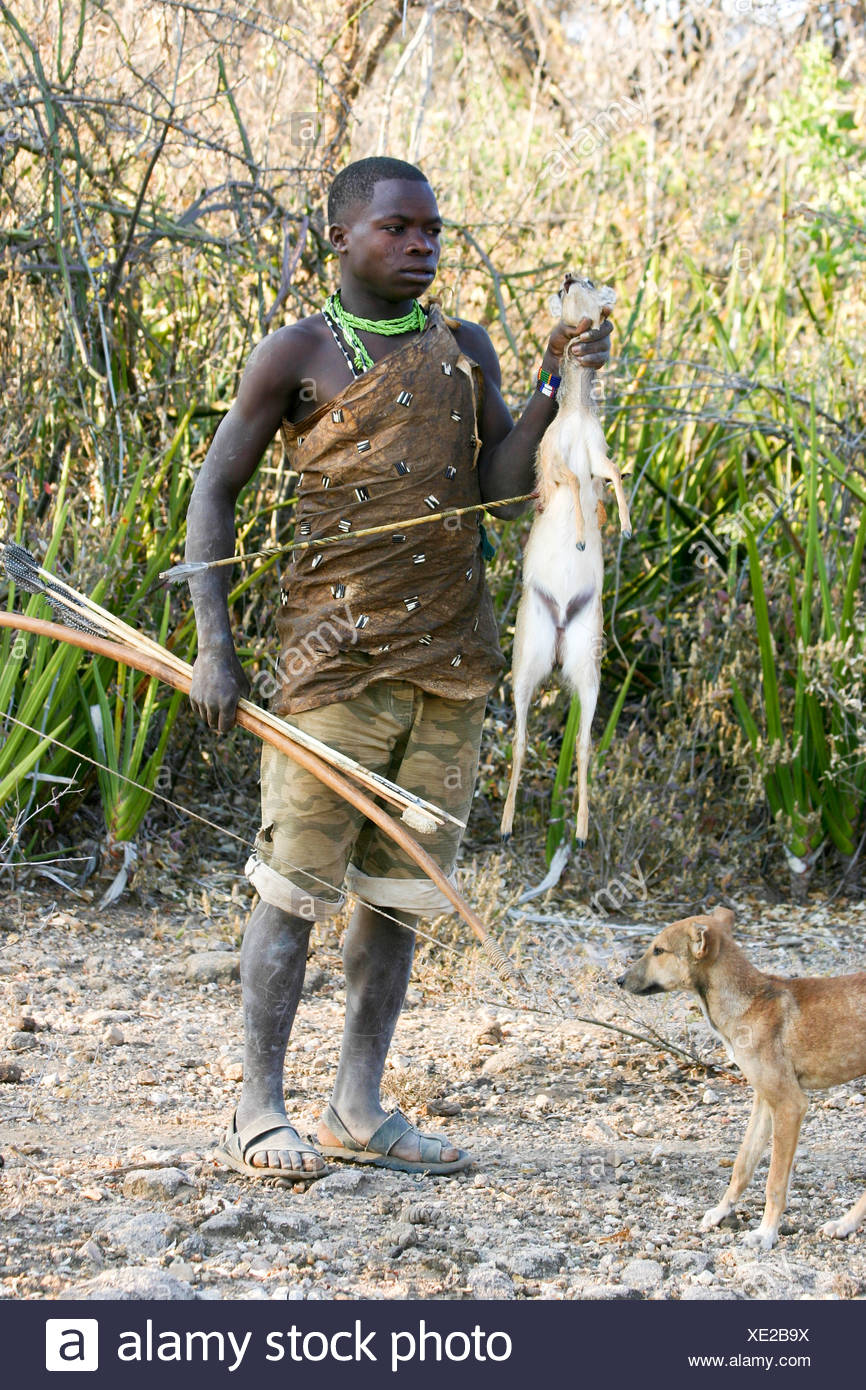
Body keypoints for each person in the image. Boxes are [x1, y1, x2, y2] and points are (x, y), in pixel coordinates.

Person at [185, 156, 612, 1180]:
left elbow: (503, 488)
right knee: (292, 889)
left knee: (396, 897)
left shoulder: (461, 348)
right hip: (329, 666)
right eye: (396, 229)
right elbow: (212, 495)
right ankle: (259, 1107)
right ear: (340, 237)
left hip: (449, 668)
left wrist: (558, 376)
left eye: (431, 229)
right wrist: (214, 645)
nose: (420, 244)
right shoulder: (296, 352)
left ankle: (357, 1107)